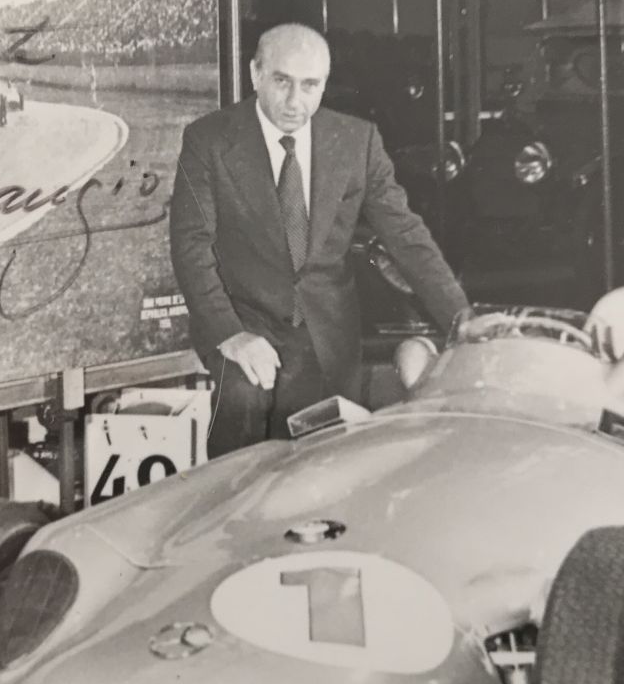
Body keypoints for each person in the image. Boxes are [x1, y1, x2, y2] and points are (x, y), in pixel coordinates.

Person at [169, 23, 468, 457]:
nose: (295, 102)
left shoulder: (357, 141)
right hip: (243, 318)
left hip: (326, 330)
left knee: (324, 465)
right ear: (255, 75)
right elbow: (190, 245)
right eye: (281, 81)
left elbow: (407, 236)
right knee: (240, 428)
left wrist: (464, 320)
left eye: (310, 85)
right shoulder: (208, 140)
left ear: (325, 83)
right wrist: (229, 334)